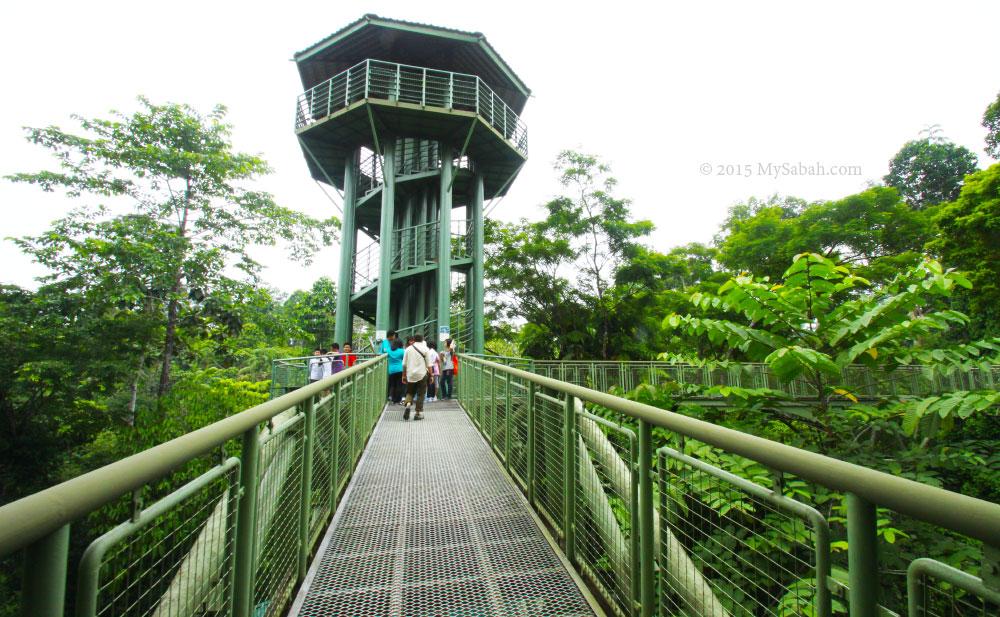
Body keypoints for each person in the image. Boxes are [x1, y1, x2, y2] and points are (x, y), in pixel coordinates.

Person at [401, 333, 433, 420]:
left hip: (410, 374)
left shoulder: (408, 349)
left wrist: (404, 375)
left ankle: (408, 404)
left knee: (410, 392)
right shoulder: (425, 349)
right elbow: (429, 364)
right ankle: (417, 414)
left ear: (414, 340)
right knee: (421, 394)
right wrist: (431, 375)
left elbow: (404, 364)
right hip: (421, 374)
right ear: (422, 339)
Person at [387, 338, 405, 404]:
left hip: (391, 370)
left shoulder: (389, 350)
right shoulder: (401, 351)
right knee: (400, 385)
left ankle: (394, 400)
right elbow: (405, 359)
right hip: (400, 369)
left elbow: (384, 351)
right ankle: (399, 399)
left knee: (393, 385)